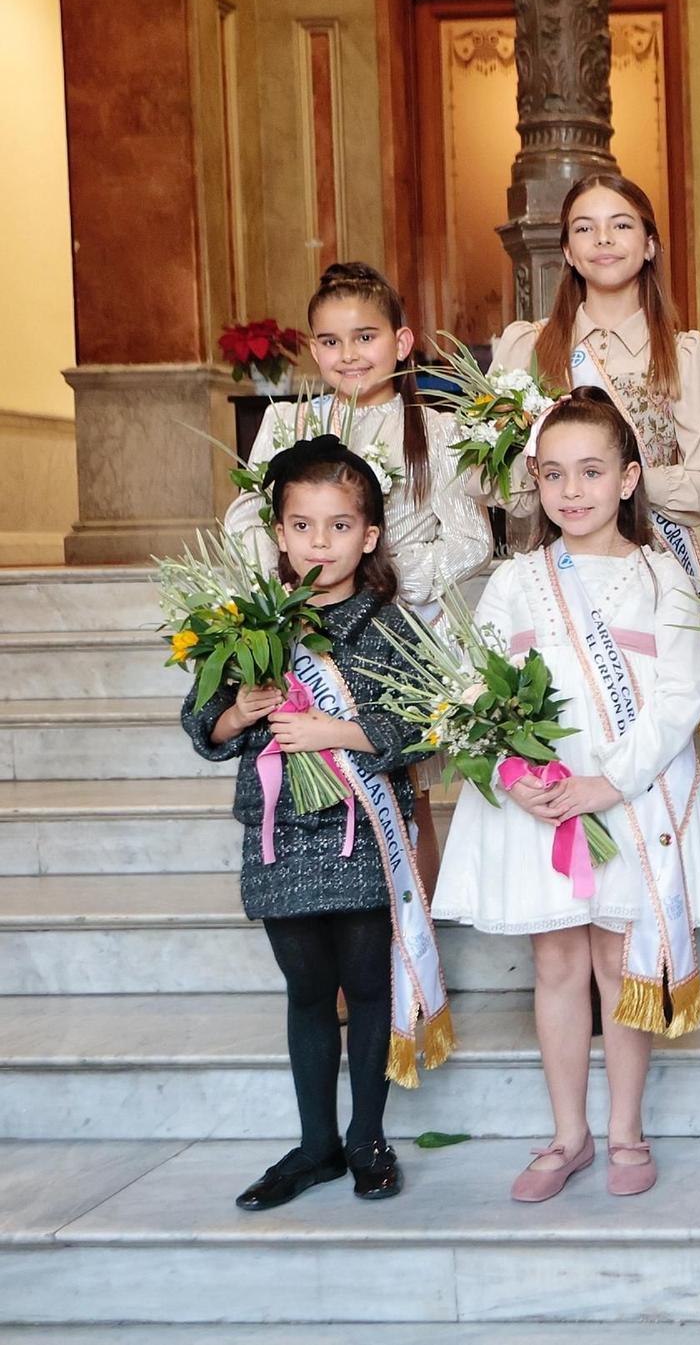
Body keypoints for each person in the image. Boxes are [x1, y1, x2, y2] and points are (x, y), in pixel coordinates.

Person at [432, 389, 700, 1203]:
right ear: (534, 480)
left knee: (618, 956)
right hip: (539, 799)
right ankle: (568, 1132)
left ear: (630, 477)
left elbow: (680, 695)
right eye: (555, 473)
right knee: (558, 960)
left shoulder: (664, 575)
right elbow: (475, 687)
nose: (573, 490)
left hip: (627, 795)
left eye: (593, 471)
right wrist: (514, 771)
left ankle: (626, 1127)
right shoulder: (514, 580)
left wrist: (608, 780)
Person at [186, 436, 446, 1210]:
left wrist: (339, 732)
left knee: (366, 986)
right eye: (303, 526)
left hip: (362, 833)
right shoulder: (246, 623)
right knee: (307, 989)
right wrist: (238, 710)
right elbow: (201, 723)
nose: (319, 544)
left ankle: (367, 1137)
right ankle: (316, 1144)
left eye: (338, 527)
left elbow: (431, 722)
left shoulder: (391, 625)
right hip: (278, 835)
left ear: (368, 537)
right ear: (279, 533)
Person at [224, 262, 490, 880]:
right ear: (311, 345)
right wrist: (291, 587)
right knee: (311, 790)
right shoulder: (286, 424)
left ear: (401, 342)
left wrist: (381, 580)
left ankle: (409, 950)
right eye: (330, 341)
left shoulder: (439, 430)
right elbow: (246, 520)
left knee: (405, 791)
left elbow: (471, 538)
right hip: (307, 633)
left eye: (365, 337)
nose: (348, 355)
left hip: (396, 630)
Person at [489, 173, 700, 707]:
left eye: (620, 225)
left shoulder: (683, 353)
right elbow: (491, 481)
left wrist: (627, 475)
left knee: (652, 714)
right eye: (585, 228)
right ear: (569, 253)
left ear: (648, 245)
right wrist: (549, 477)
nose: (603, 239)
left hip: (653, 565)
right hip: (555, 562)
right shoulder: (526, 347)